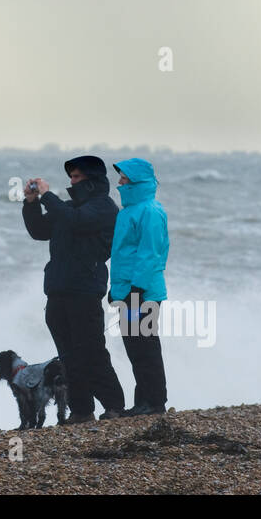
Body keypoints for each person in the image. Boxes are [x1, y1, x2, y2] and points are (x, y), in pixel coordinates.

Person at [22, 156, 126, 422]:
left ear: (91, 180)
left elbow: (76, 221)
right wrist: (31, 203)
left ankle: (114, 405)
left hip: (85, 289)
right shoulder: (66, 209)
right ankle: (81, 410)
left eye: (77, 177)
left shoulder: (104, 208)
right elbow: (39, 230)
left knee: (91, 352)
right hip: (58, 289)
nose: (72, 181)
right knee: (68, 357)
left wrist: (47, 196)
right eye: (71, 177)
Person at [108, 158, 169, 416]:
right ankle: (142, 401)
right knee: (135, 348)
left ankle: (155, 402)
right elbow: (123, 255)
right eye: (120, 178)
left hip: (142, 294)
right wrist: (117, 290)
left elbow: (151, 254)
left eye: (124, 178)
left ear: (136, 181)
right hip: (127, 292)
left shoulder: (151, 211)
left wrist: (137, 290)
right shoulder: (128, 212)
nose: (119, 182)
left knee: (145, 347)